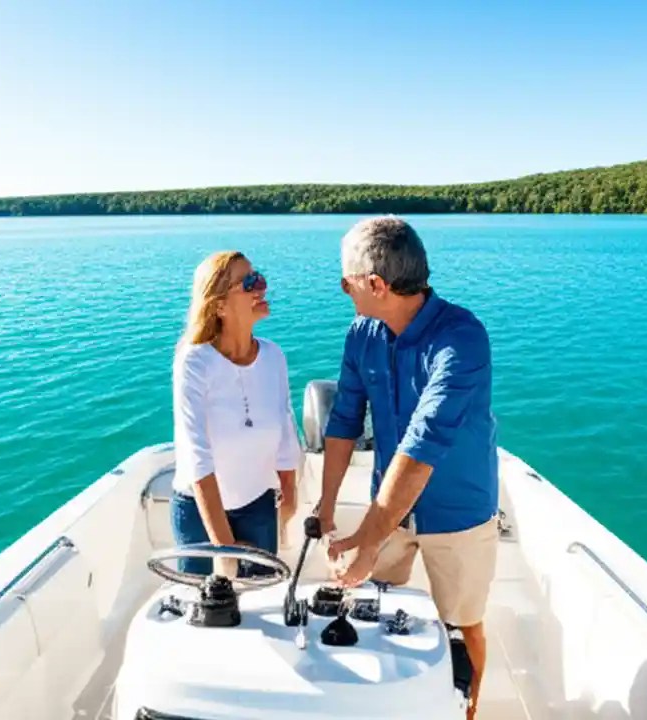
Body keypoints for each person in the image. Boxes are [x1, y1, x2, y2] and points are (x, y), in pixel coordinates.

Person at [319, 216, 500, 720]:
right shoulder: (362, 334)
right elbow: (343, 421)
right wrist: (327, 505)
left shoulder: (462, 339)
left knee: (463, 626)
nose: (341, 289)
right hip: (387, 505)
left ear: (376, 284)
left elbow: (422, 446)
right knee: (376, 611)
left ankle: (468, 711)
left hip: (459, 511)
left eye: (346, 280)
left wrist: (368, 540)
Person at [171, 250, 300, 579]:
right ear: (218, 305)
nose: (261, 287)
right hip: (199, 513)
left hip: (258, 505)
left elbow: (286, 429)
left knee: (260, 609)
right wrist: (223, 547)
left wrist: (290, 497)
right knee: (204, 611)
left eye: (260, 278)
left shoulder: (274, 356)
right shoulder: (195, 363)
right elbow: (196, 456)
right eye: (249, 282)